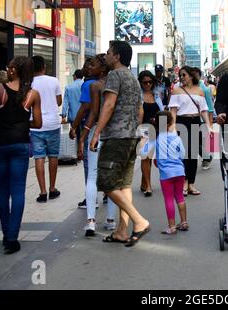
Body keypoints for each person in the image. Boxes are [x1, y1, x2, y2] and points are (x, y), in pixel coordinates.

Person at [90, 40, 150, 247]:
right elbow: (140, 110)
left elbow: (108, 104)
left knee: (106, 182)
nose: (105, 56)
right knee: (123, 185)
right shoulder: (133, 79)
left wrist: (97, 132)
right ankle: (122, 231)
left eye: (108, 53)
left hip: (116, 137)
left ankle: (139, 221)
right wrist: (134, 129)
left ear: (117, 57)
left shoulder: (114, 76)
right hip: (132, 136)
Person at [0, 56, 42, 254]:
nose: (8, 70)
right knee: (18, 191)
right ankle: (12, 238)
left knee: (3, 190)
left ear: (16, 70)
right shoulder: (33, 94)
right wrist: (23, 123)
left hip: (0, 144)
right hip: (21, 145)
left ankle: (5, 233)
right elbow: (38, 123)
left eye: (10, 67)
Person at [74, 54, 118, 237]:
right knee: (112, 178)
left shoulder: (95, 86)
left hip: (97, 134)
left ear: (102, 68)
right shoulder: (117, 83)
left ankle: (91, 220)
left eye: (93, 64)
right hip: (114, 134)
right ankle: (110, 220)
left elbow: (92, 115)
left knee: (92, 176)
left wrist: (83, 137)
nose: (89, 67)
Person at [141, 111, 189, 235]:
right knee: (180, 197)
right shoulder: (176, 137)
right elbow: (182, 154)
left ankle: (172, 226)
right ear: (170, 123)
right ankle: (184, 222)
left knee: (169, 199)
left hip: (166, 175)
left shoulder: (156, 139)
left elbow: (144, 152)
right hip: (180, 172)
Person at [169, 66, 211, 196]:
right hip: (182, 122)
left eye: (184, 75)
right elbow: (173, 111)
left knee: (193, 156)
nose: (181, 78)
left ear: (191, 76)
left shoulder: (200, 91)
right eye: (180, 75)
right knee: (183, 155)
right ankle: (184, 183)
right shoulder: (176, 91)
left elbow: (204, 110)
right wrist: (173, 127)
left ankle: (191, 183)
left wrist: (208, 126)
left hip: (195, 122)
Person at [31, 56, 62, 203]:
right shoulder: (54, 81)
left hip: (36, 125)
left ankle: (42, 192)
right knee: (53, 156)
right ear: (44, 66)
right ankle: (52, 188)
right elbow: (59, 101)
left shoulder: (28, 83)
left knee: (39, 157)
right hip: (53, 124)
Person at [70, 59, 98, 208]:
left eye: (89, 66)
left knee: (89, 164)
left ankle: (90, 198)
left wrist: (74, 126)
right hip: (102, 127)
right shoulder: (102, 82)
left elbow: (85, 107)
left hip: (90, 127)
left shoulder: (88, 84)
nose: (85, 68)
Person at [138, 70, 164, 197]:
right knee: (145, 156)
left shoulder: (157, 95)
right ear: (140, 83)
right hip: (143, 129)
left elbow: (162, 111)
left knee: (150, 158)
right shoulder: (138, 95)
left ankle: (144, 182)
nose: (147, 84)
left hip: (157, 129)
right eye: (145, 82)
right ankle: (148, 186)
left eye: (150, 82)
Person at [194, 67, 214, 170]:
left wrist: (210, 123)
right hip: (190, 119)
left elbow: (210, 107)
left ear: (199, 76)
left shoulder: (204, 89)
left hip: (202, 119)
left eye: (195, 75)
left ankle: (206, 158)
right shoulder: (188, 87)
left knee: (198, 142)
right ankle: (206, 157)